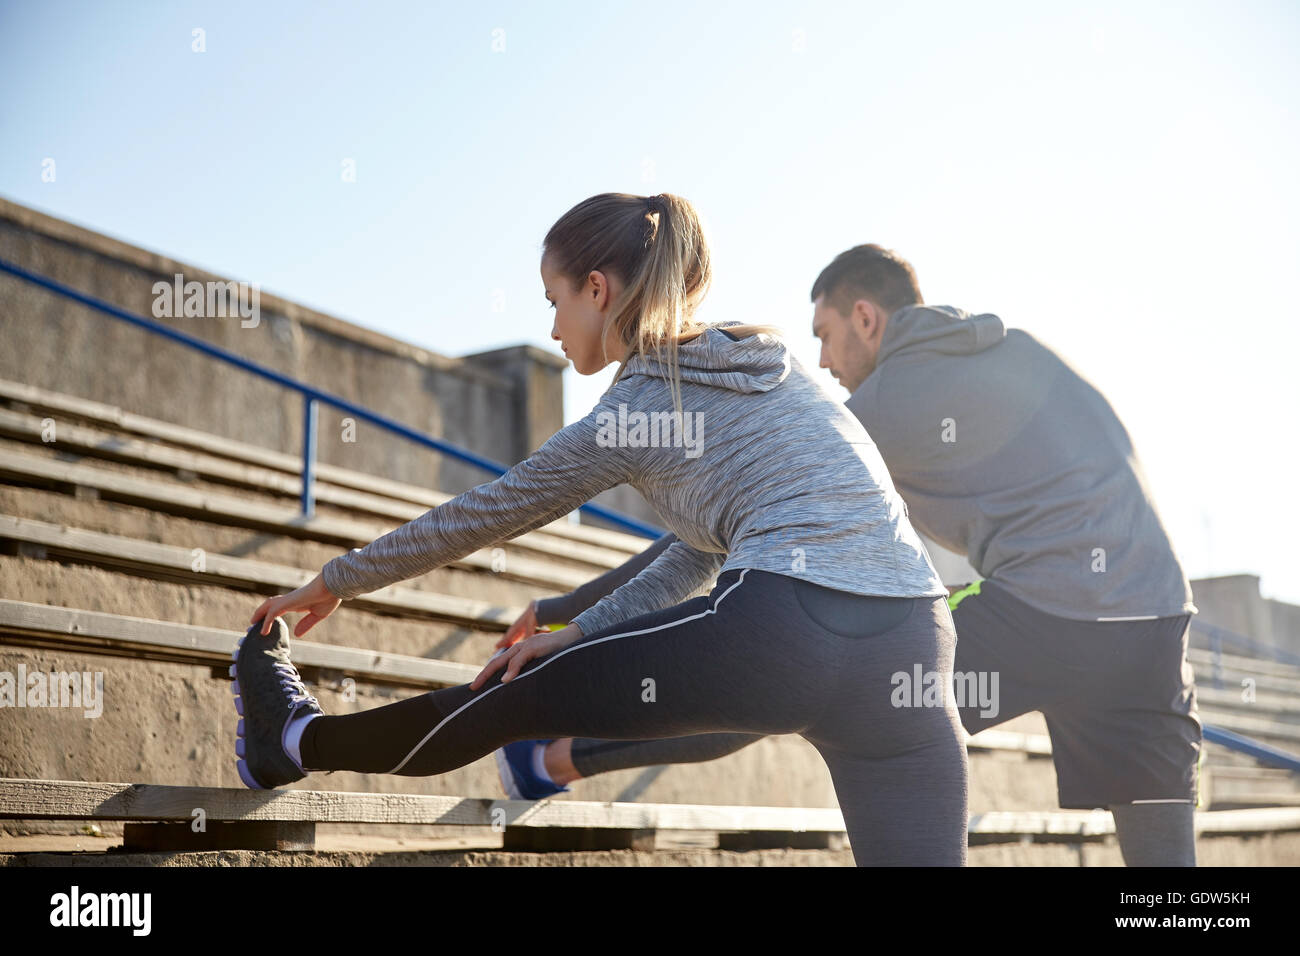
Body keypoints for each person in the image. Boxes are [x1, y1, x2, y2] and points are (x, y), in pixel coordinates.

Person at [237, 196, 969, 866]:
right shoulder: (768, 367)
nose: (554, 328)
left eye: (555, 301)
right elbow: (697, 553)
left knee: (510, 689)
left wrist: (337, 578)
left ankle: (291, 740)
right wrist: (584, 631)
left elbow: (490, 512)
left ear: (598, 290)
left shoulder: (637, 407)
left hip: (787, 627)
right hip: (915, 644)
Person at [496, 244, 1203, 867]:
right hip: (1156, 622)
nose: (825, 364)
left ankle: (550, 758)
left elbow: (723, 530)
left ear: (867, 318)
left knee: (792, 677)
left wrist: (571, 610)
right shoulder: (1012, 350)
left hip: (1045, 610)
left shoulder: (897, 394)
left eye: (827, 337)